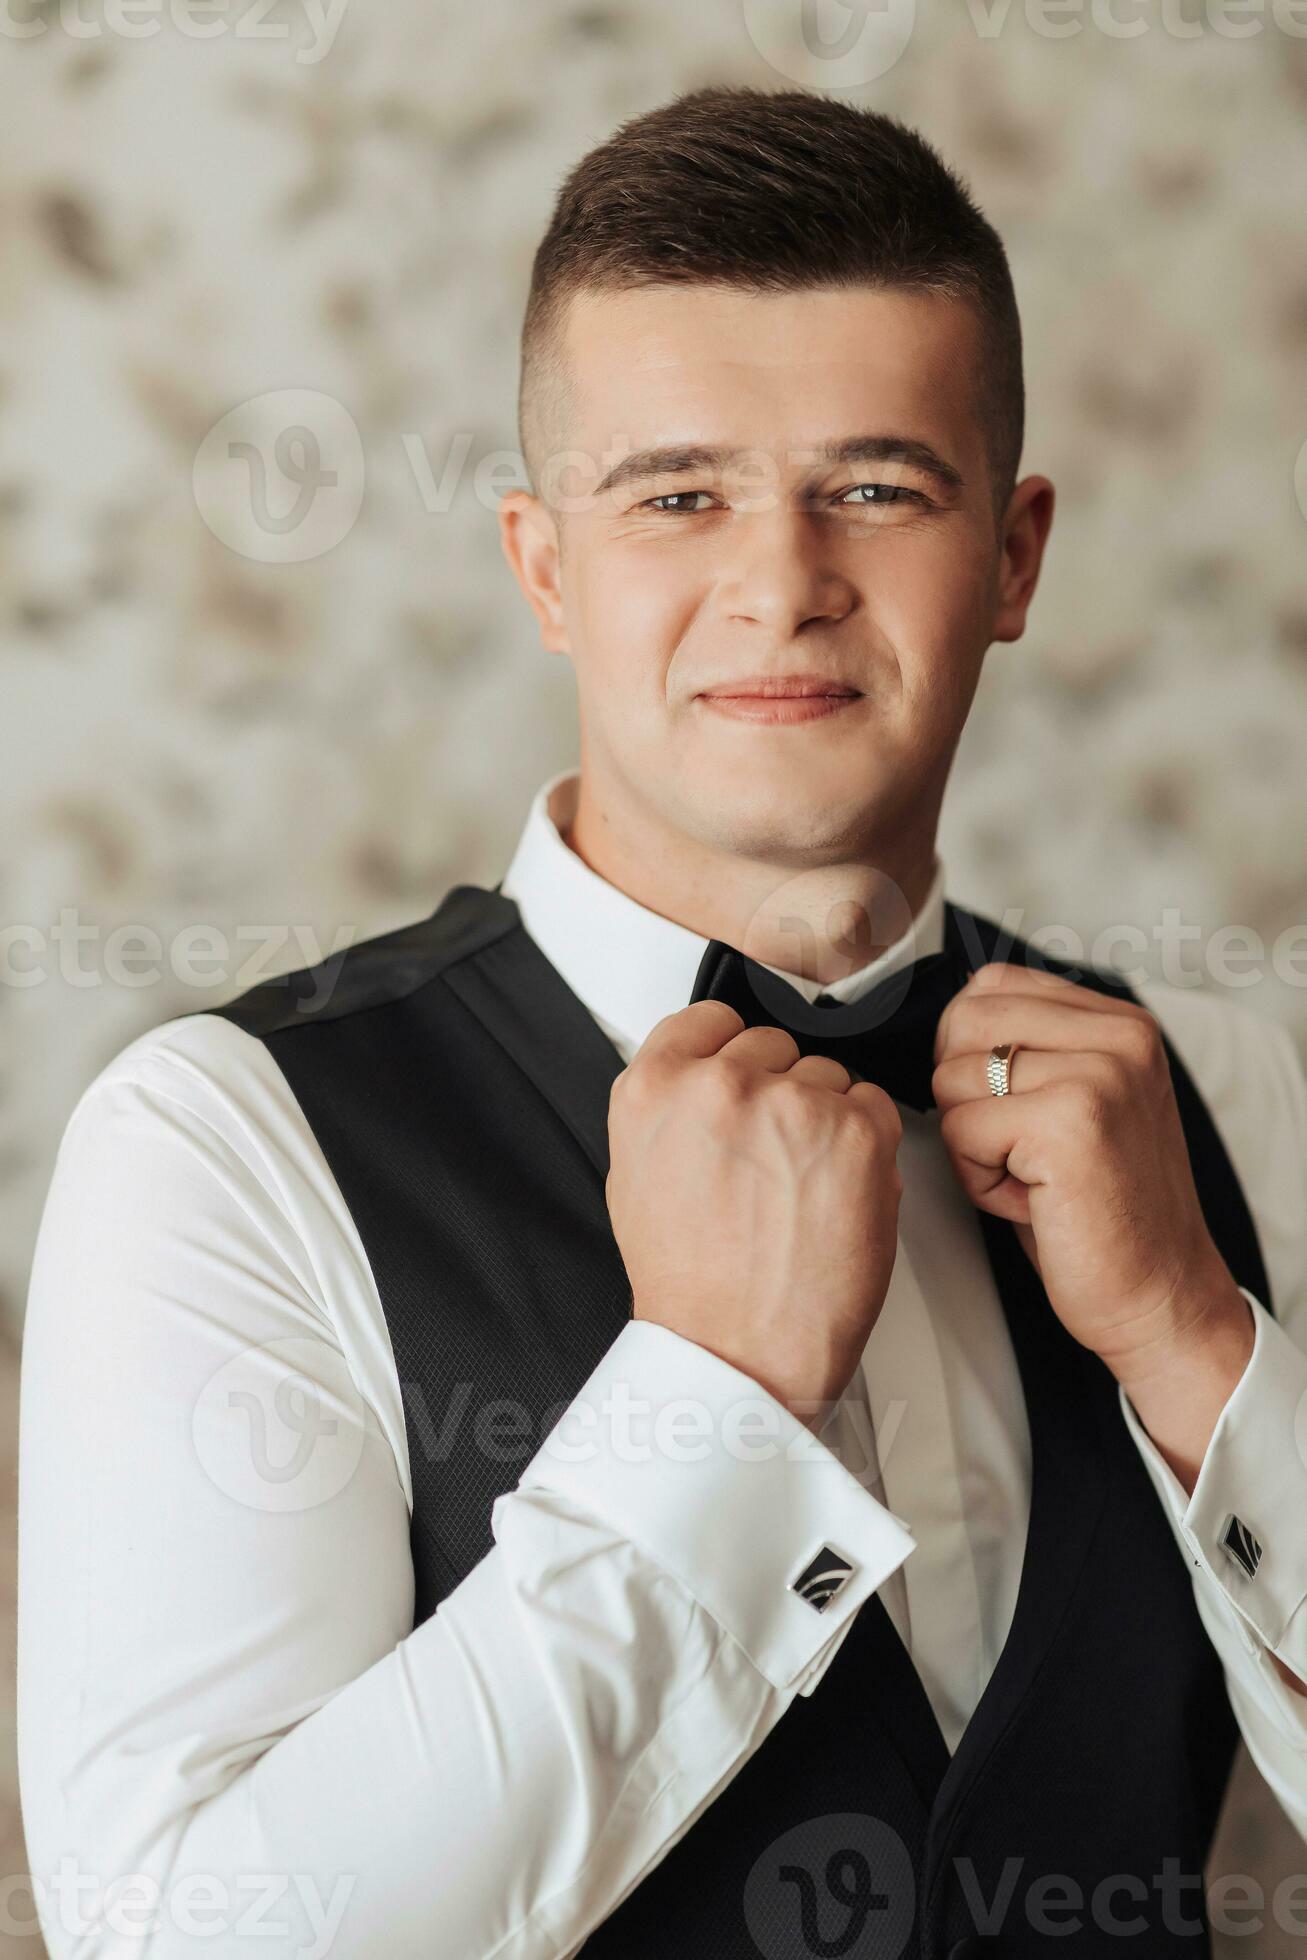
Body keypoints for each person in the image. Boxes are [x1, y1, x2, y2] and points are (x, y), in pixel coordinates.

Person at [17, 83, 1307, 1960]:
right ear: (546, 565)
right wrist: (713, 1400)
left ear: (1015, 557)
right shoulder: (223, 1141)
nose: (780, 585)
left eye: (877, 487)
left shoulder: (1229, 1087)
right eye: (677, 495)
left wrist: (1203, 1356)